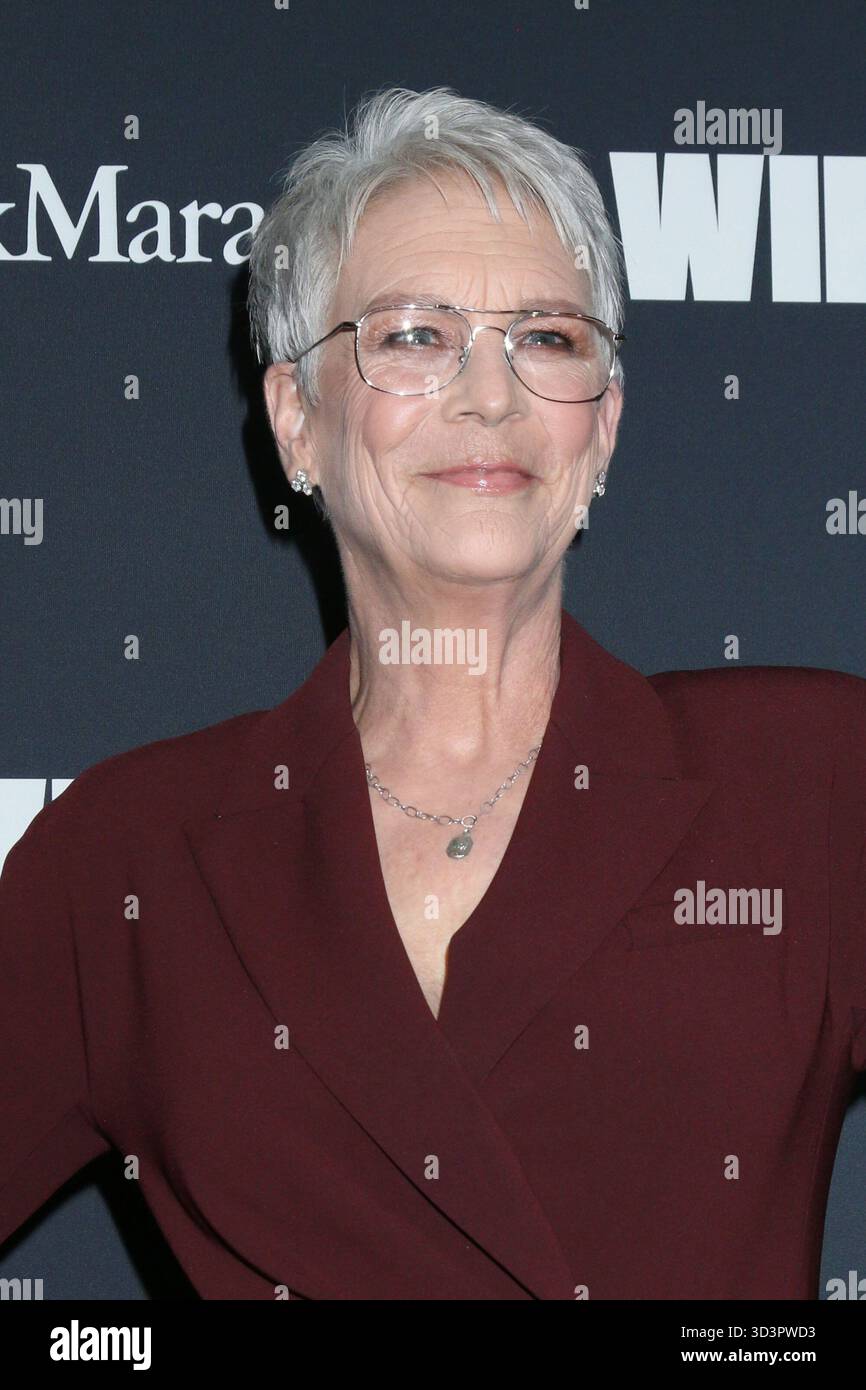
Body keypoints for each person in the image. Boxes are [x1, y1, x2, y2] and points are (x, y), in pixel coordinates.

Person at [2, 84, 865, 1301]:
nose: (489, 394)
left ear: (603, 427)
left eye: (548, 338)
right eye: (415, 335)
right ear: (297, 420)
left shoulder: (812, 780)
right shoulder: (127, 858)